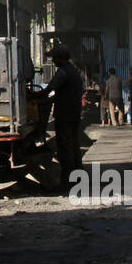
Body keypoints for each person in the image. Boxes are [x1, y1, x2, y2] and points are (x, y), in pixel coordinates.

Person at [42, 45, 84, 188]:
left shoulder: (63, 72)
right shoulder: (74, 71)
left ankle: (68, 183)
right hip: (74, 113)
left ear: (60, 58)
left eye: (54, 57)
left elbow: (49, 89)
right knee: (74, 146)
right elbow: (62, 95)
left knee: (65, 149)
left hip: (65, 115)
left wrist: (34, 96)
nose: (53, 60)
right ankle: (78, 178)